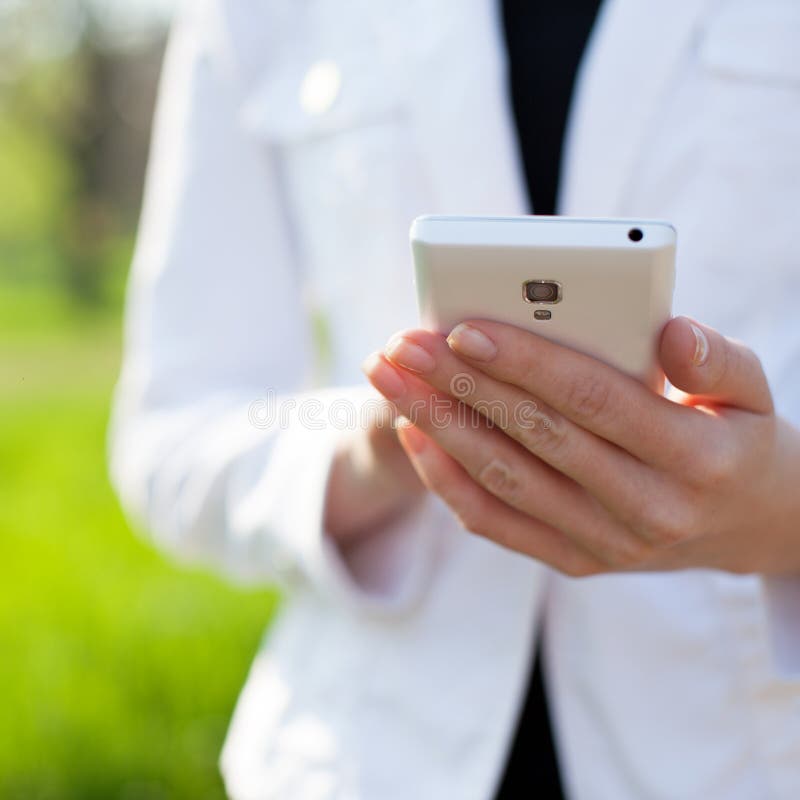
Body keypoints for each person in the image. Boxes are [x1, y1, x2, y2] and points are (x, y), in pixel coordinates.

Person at [110, 0, 800, 797]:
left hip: (741, 759)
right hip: (369, 756)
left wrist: (780, 509)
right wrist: (365, 449)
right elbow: (177, 428)